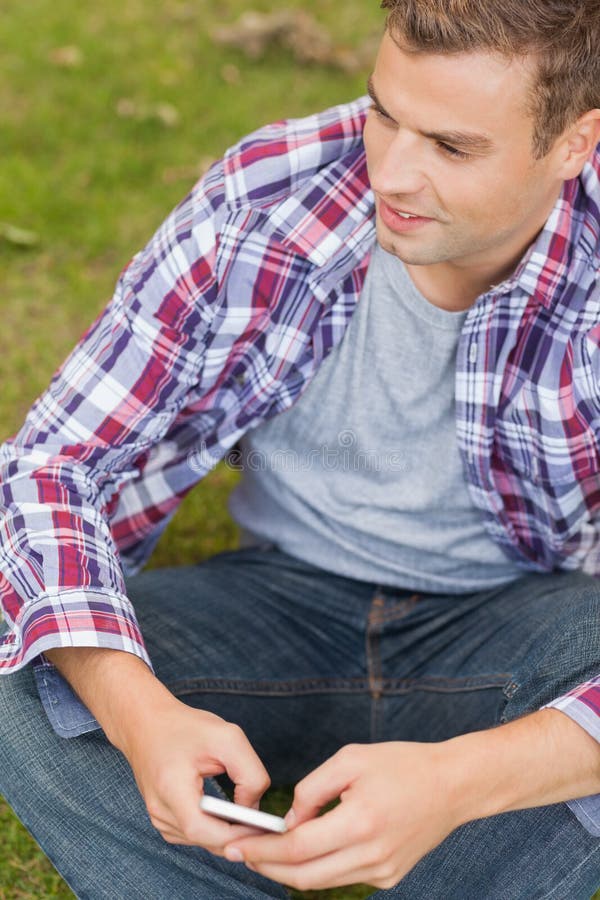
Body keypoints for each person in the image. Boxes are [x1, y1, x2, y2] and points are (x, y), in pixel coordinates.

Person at [1, 0, 600, 896]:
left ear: (573, 144)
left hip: (524, 623)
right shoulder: (273, 196)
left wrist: (461, 782)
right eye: (383, 114)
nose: (391, 174)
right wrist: (138, 717)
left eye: (451, 147)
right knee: (25, 663)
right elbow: (51, 467)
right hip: (273, 601)